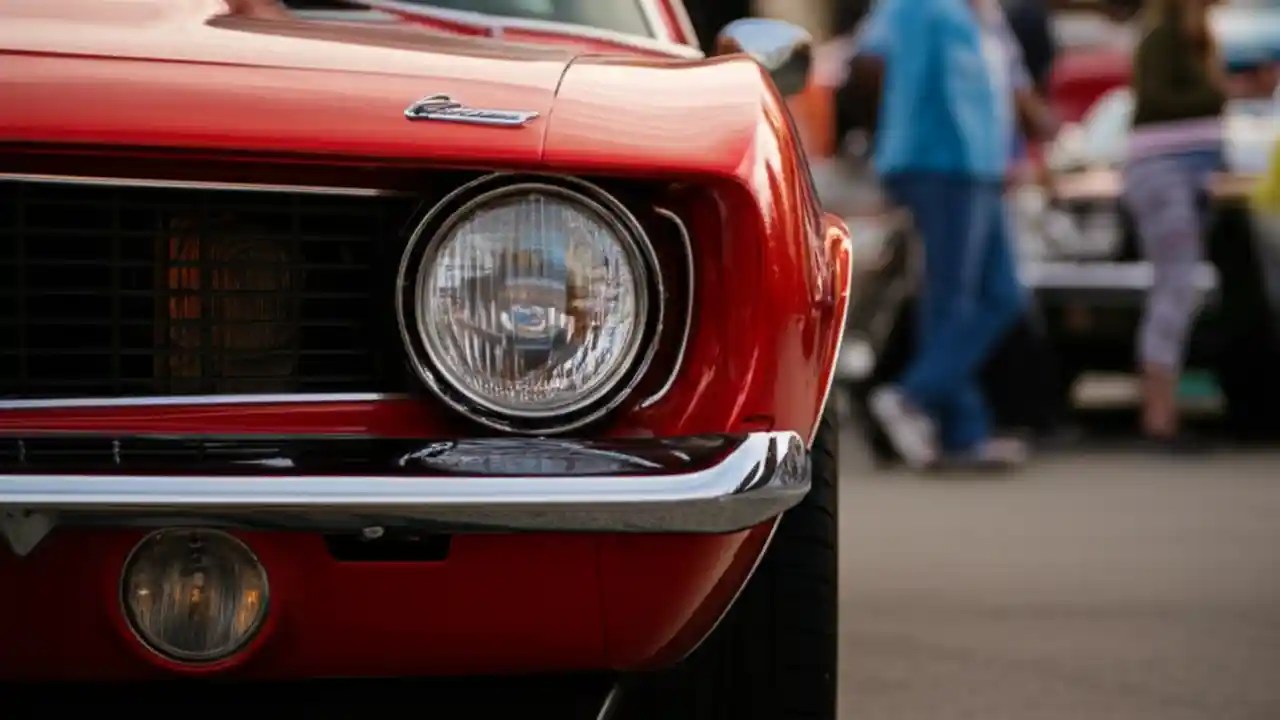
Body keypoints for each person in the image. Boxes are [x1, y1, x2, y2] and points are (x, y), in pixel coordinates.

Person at [856, 0, 1035, 470]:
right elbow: (875, 57)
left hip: (982, 164)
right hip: (940, 162)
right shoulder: (919, 5)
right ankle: (936, 414)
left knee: (997, 296)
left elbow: (1000, 82)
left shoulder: (983, 12)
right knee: (955, 297)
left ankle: (936, 409)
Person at [1122, 0, 1227, 448]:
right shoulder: (1164, 37)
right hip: (1164, 170)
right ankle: (1159, 412)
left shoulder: (1191, 36)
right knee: (1175, 286)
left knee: (1180, 286)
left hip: (1186, 171)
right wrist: (1226, 92)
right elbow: (1157, 100)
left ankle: (1162, 406)